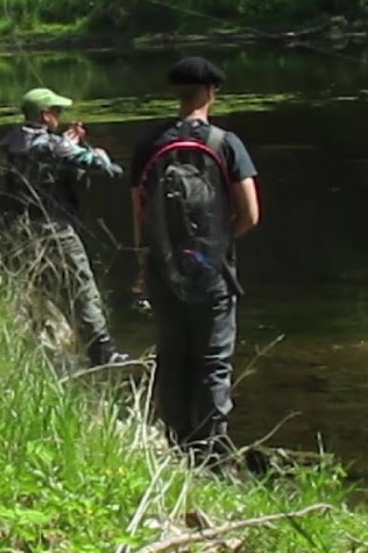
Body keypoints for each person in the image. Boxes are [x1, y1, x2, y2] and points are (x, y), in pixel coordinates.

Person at [129, 57, 261, 461]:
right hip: (214, 274)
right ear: (211, 92)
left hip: (163, 270)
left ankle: (178, 444)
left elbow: (140, 215)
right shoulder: (226, 143)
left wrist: (147, 265)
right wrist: (215, 248)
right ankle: (211, 452)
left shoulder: (150, 144)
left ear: (176, 93)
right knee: (213, 360)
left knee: (173, 356)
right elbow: (251, 215)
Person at [0, 87, 130, 367]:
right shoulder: (49, 145)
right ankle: (101, 352)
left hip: (18, 229)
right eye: (56, 112)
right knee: (80, 286)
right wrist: (97, 152)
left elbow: (49, 153)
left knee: (35, 289)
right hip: (52, 229)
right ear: (45, 116)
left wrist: (67, 142)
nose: (59, 116)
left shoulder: (12, 141)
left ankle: (39, 351)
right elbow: (103, 168)